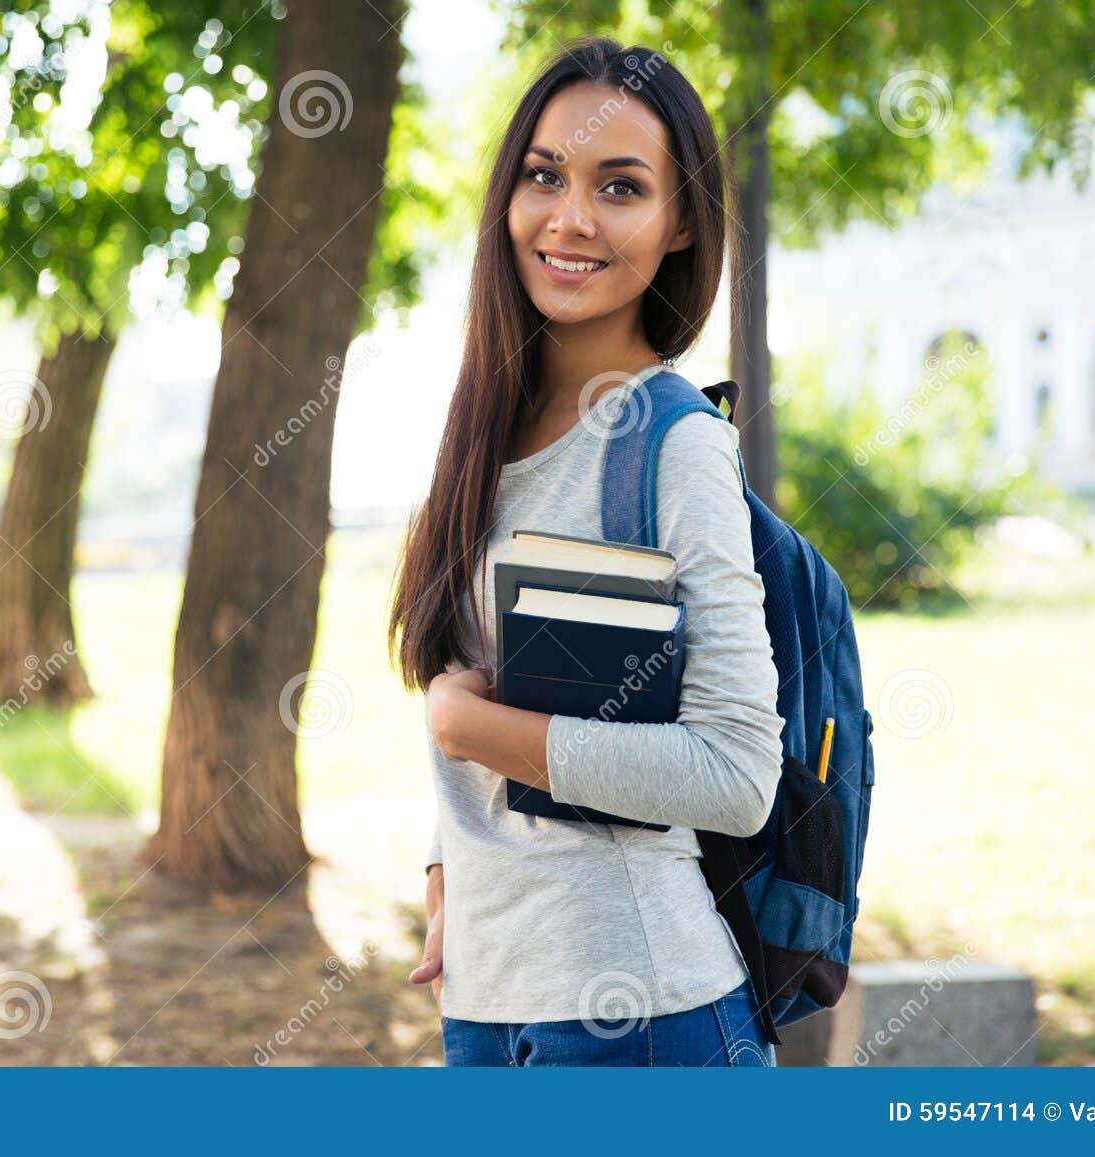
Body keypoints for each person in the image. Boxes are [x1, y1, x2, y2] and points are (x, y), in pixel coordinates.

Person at [386, 36, 786, 1067]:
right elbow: (477, 676)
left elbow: (736, 772)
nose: (569, 219)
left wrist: (471, 726)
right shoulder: (483, 427)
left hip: (638, 1014)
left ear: (680, 220)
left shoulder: (673, 443)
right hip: (483, 1002)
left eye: (620, 186)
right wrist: (447, 872)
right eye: (544, 175)